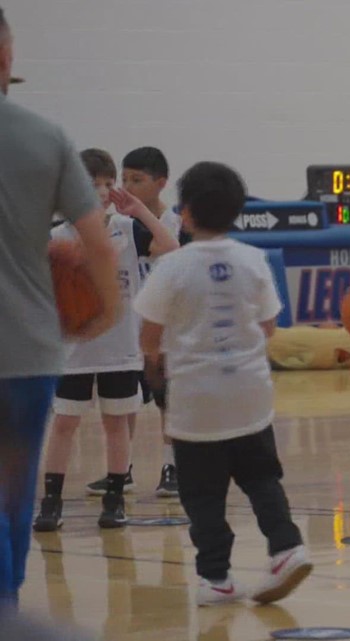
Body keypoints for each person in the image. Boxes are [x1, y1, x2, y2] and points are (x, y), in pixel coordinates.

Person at [134, 161, 311, 606]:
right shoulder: (253, 260)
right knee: (263, 479)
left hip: (196, 406)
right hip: (250, 397)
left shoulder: (171, 268)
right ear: (237, 213)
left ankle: (217, 579)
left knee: (203, 497)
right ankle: (286, 547)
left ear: (186, 213)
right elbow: (270, 325)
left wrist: (160, 361)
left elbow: (149, 339)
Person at [0, 5, 121, 610]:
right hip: (27, 350)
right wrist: (109, 312)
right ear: (7, 56)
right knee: (14, 487)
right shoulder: (46, 137)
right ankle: (9, 601)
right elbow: (97, 244)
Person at [33, 149, 178, 532]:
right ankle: (51, 502)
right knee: (64, 425)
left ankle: (114, 500)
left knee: (116, 425)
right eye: (91, 184)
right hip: (74, 351)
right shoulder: (57, 239)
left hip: (120, 350)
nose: (101, 191)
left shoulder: (128, 231)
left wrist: (140, 211)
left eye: (106, 184)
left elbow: (171, 247)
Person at [86, 145, 184, 498]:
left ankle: (172, 466)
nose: (126, 186)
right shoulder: (118, 224)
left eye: (136, 180)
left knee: (165, 399)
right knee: (122, 403)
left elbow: (168, 256)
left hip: (164, 325)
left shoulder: (170, 225)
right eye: (123, 179)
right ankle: (122, 468)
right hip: (129, 325)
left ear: (160, 183)